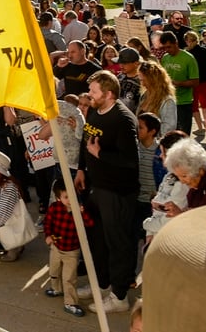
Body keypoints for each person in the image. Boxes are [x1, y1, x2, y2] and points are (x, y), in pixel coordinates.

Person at [75, 71, 139, 314]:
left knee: (117, 243)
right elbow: (86, 141)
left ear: (109, 94)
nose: (89, 95)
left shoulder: (123, 119)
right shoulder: (95, 111)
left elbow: (130, 160)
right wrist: (82, 168)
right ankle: (102, 285)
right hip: (97, 188)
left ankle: (119, 296)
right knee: (98, 241)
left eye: (93, 92)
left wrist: (100, 155)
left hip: (118, 192)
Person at [43, 179, 94, 317]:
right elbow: (47, 222)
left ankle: (70, 303)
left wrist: (82, 213)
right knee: (54, 270)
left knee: (69, 278)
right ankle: (56, 288)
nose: (70, 199)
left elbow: (90, 224)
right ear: (58, 198)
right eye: (66, 197)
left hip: (72, 251)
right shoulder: (54, 208)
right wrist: (48, 235)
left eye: (72, 195)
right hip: (56, 247)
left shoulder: (79, 209)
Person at [162, 138, 206, 213]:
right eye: (178, 177)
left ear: (200, 170)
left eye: (184, 176)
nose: (182, 181)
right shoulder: (198, 181)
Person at [158, 31, 198, 134]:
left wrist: (178, 83)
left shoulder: (189, 58)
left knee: (183, 135)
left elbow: (195, 82)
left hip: (183, 103)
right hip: (167, 101)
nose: (167, 50)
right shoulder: (165, 58)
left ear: (176, 43)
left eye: (169, 47)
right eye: (164, 48)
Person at [136, 60, 177, 135]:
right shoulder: (145, 95)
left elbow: (168, 130)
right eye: (140, 80)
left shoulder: (167, 101)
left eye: (144, 80)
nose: (142, 84)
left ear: (153, 81)